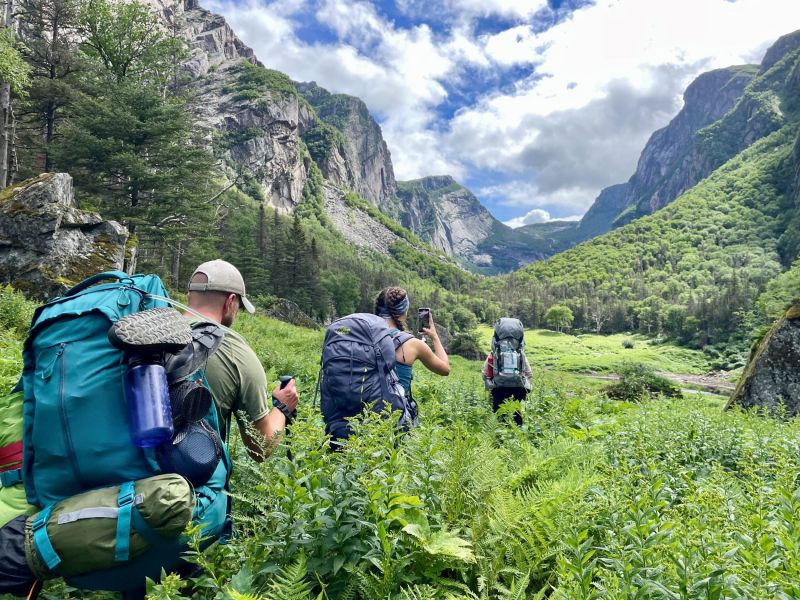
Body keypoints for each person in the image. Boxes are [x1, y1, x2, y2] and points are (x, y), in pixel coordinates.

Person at [186, 259, 298, 460]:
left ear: (189, 297)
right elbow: (261, 448)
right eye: (238, 305)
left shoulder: (148, 332)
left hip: (120, 477)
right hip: (188, 483)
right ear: (230, 302)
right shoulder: (235, 351)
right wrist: (282, 407)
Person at [374, 287, 450, 399]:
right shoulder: (413, 344)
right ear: (405, 311)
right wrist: (434, 336)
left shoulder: (364, 336)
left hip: (362, 412)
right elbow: (445, 369)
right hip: (395, 414)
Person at [481, 317, 532, 426]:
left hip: (499, 387)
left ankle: (500, 437)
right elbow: (529, 373)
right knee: (517, 414)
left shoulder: (495, 353)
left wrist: (490, 383)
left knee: (499, 415)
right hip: (518, 388)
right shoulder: (520, 353)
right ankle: (518, 436)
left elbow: (485, 372)